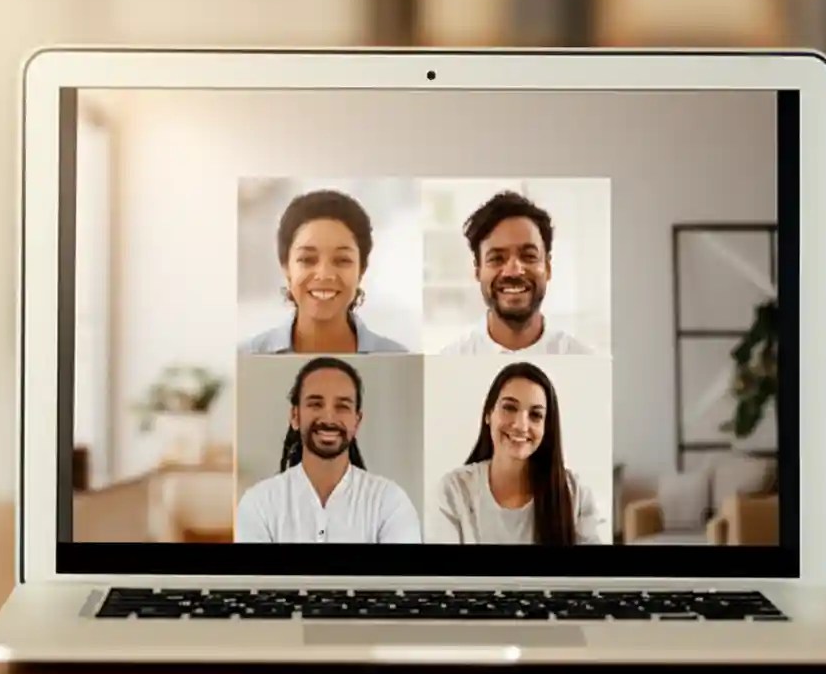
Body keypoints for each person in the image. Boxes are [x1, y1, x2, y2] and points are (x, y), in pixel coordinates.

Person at [236, 357, 421, 543]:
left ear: (357, 421)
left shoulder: (389, 503)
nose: (329, 418)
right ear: (295, 416)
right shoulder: (259, 504)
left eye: (342, 406)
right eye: (316, 404)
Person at [430, 361, 602, 545]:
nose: (521, 425)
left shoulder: (576, 494)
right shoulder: (454, 490)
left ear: (547, 427)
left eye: (535, 415)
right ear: (488, 414)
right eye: (509, 408)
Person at [240, 189, 408, 354]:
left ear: (361, 269)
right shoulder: (246, 357)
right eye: (307, 260)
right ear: (286, 266)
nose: (324, 274)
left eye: (342, 260)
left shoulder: (398, 360)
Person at [439, 190, 592, 355]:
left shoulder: (583, 357)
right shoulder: (451, 358)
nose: (513, 271)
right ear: (478, 270)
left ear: (548, 268)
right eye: (497, 258)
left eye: (528, 256)